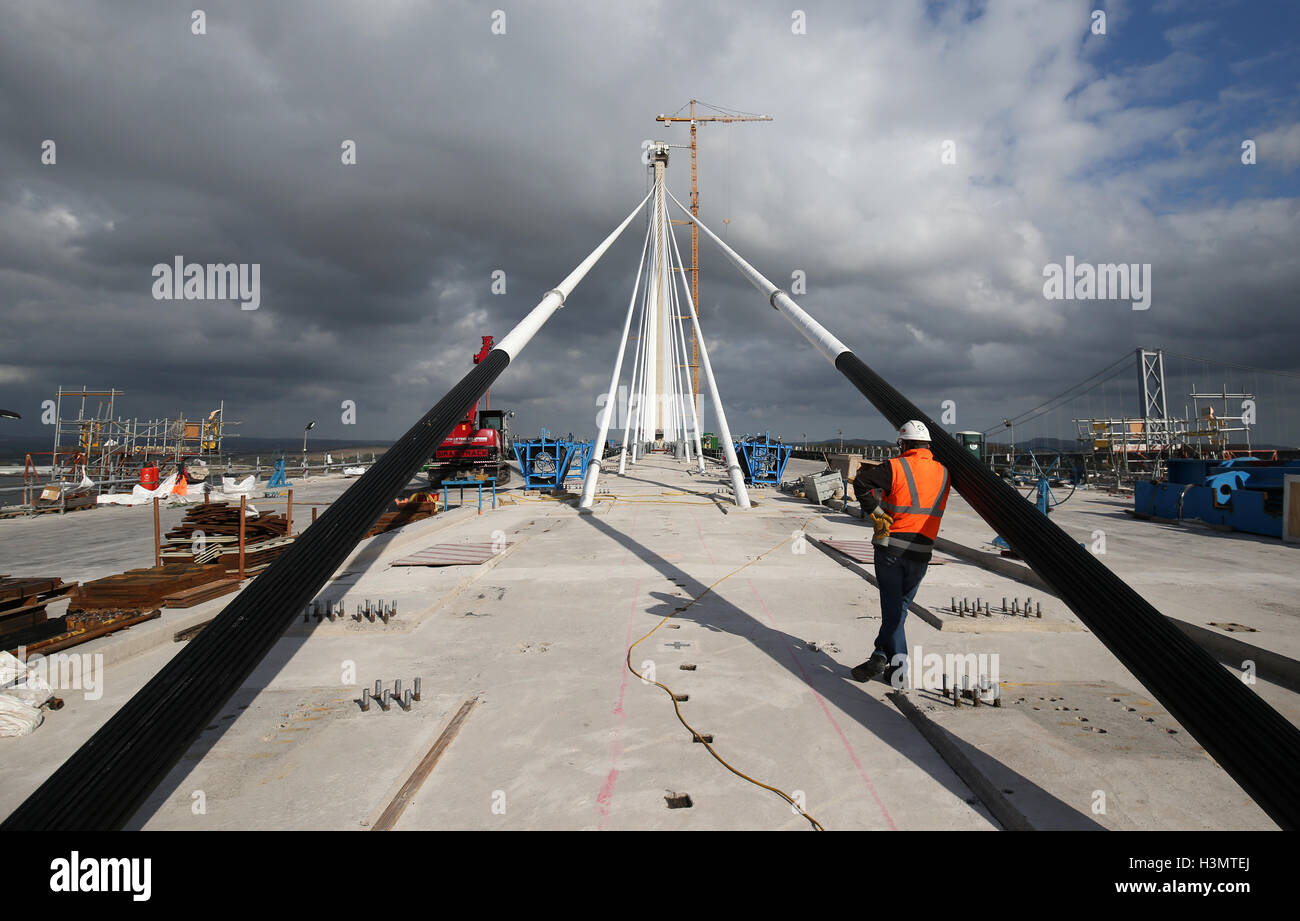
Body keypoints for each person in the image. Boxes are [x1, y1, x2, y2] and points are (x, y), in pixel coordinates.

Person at [849, 420, 951, 685]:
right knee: (900, 607)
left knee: (893, 609)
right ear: (927, 445)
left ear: (904, 444)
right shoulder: (944, 473)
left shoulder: (895, 466)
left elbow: (860, 483)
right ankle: (884, 658)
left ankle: (895, 666)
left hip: (892, 548)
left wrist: (876, 512)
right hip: (922, 552)